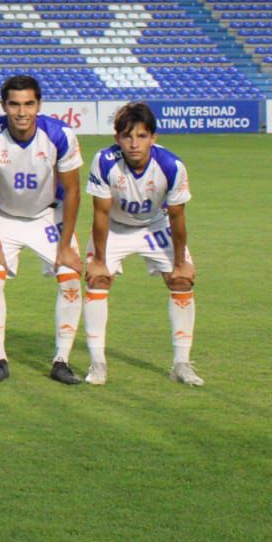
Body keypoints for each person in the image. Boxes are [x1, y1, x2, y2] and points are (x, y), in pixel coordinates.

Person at [0, 75, 84, 384]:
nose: (22, 112)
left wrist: (65, 246)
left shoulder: (60, 135)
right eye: (15, 104)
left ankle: (61, 361)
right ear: (3, 106)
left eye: (29, 104)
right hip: (4, 216)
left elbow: (73, 190)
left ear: (39, 105)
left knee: (70, 277)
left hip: (47, 215)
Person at [84, 102, 201, 386]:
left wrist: (180, 262)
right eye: (127, 136)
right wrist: (98, 260)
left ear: (153, 137)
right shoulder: (104, 161)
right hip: (115, 226)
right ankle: (97, 362)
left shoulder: (171, 166)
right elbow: (100, 214)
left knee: (181, 280)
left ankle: (182, 364)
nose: (134, 144)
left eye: (141, 136)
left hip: (155, 225)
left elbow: (177, 217)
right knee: (98, 279)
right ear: (117, 138)